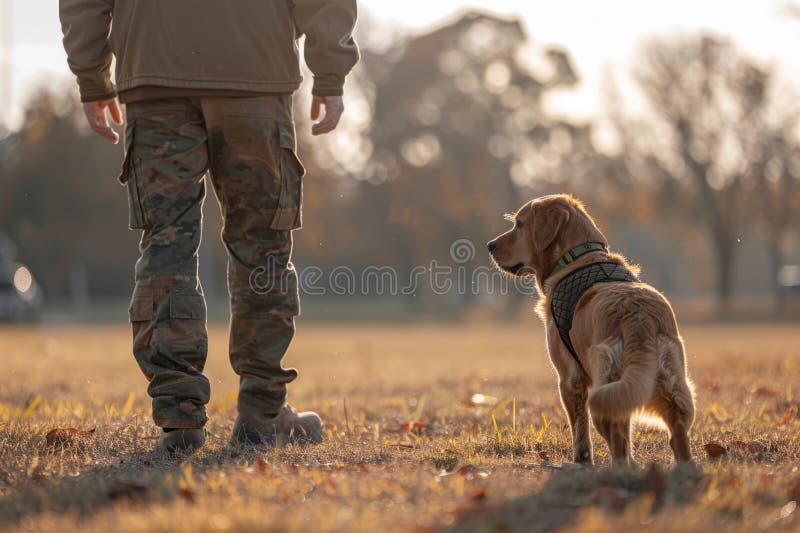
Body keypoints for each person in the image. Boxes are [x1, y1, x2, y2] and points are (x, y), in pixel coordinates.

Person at [59, 0, 359, 453]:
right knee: (262, 247)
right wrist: (330, 69)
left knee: (166, 246)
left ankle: (180, 419)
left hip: (154, 70)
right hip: (254, 67)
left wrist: (91, 74)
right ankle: (262, 412)